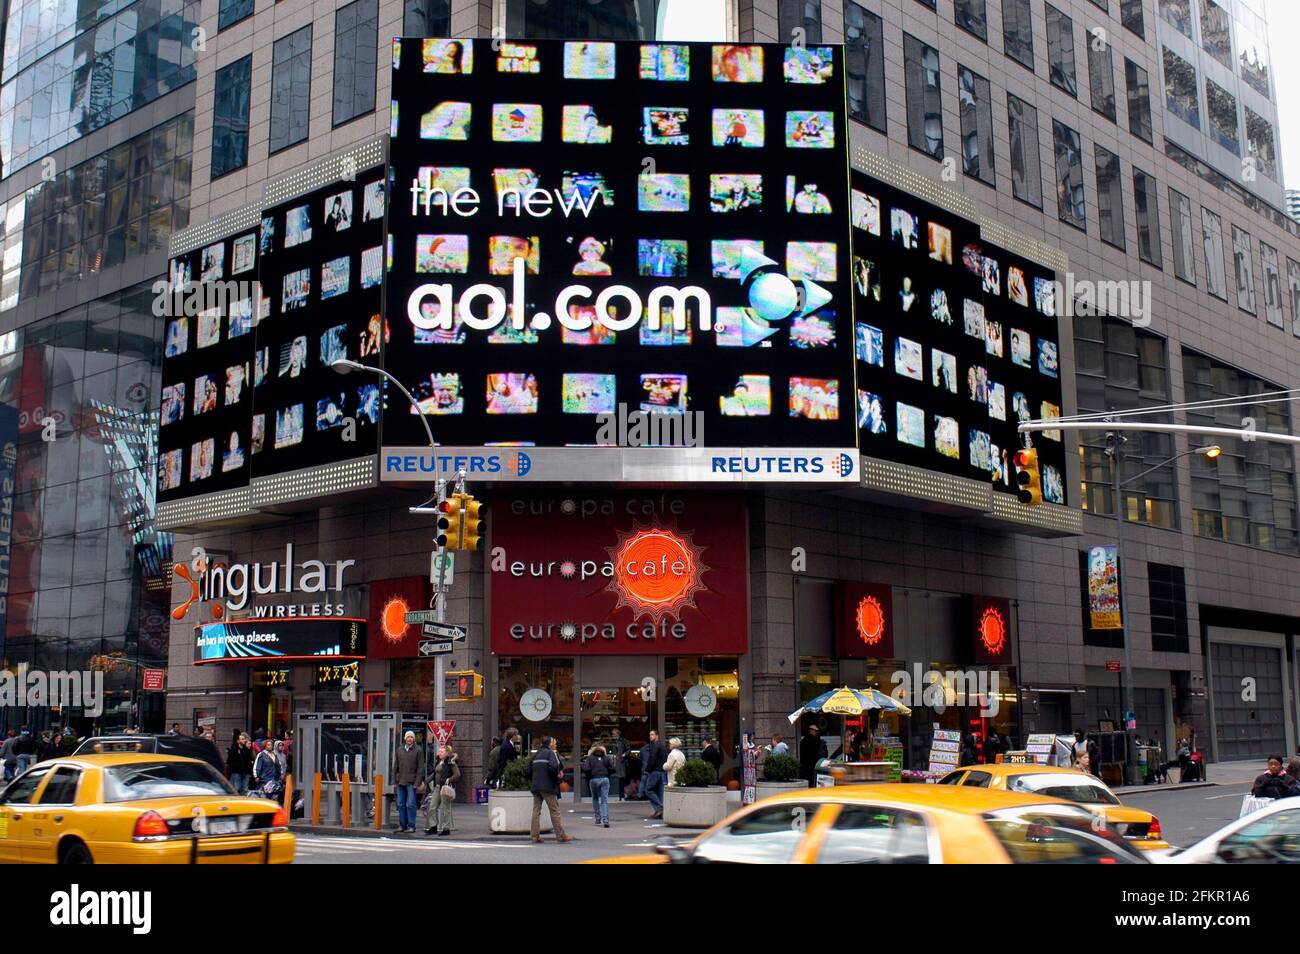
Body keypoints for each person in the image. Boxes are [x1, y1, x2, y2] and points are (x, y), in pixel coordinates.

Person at [526, 736, 573, 843]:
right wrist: (556, 777)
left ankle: (535, 836)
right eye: (554, 742)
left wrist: (535, 779)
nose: (555, 744)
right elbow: (554, 767)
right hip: (548, 787)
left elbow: (527, 770)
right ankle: (560, 836)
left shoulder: (535, 754)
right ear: (550, 744)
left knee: (536, 811)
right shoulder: (551, 753)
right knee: (555, 811)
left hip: (536, 786)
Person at [425, 743, 460, 836]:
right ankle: (433, 826)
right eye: (439, 751)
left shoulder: (451, 762)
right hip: (437, 786)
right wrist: (426, 781)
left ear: (447, 753)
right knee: (432, 806)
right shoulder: (438, 761)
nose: (439, 753)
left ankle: (446, 828)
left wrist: (450, 779)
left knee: (445, 808)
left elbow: (457, 774)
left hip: (445, 787)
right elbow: (435, 773)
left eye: (441, 751)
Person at [392, 730, 422, 833]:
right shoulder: (399, 750)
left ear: (414, 739)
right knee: (400, 804)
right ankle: (402, 825)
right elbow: (395, 766)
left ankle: (411, 826)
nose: (410, 739)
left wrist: (417, 782)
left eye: (411, 737)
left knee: (410, 804)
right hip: (401, 781)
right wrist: (394, 780)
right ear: (405, 738)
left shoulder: (418, 750)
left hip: (412, 782)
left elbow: (420, 768)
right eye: (408, 737)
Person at [640, 730, 668, 818]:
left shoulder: (655, 746)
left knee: (648, 790)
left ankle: (659, 808)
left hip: (655, 771)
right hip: (661, 771)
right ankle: (659, 812)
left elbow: (652, 758)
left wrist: (647, 770)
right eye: (650, 735)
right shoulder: (662, 746)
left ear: (657, 735)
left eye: (652, 734)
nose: (650, 736)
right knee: (658, 792)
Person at [585, 744, 613, 828]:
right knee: (604, 800)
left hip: (594, 779)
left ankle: (597, 818)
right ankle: (605, 820)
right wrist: (607, 774)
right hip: (604, 779)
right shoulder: (606, 758)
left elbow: (586, 768)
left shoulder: (590, 758)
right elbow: (612, 768)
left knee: (595, 798)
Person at [253, 737, 283, 802]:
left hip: (274, 779)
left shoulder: (274, 754)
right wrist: (256, 776)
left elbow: (279, 765)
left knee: (274, 798)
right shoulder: (261, 755)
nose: (270, 746)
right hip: (265, 780)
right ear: (265, 746)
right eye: (268, 745)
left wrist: (281, 773)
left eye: (271, 745)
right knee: (264, 798)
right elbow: (257, 766)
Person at [609, 729, 630, 800]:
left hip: (621, 763)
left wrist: (623, 755)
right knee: (616, 779)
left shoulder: (623, 741)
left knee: (621, 779)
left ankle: (622, 796)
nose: (613, 735)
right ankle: (618, 796)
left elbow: (628, 750)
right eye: (612, 734)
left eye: (614, 734)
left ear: (618, 734)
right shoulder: (612, 742)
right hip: (615, 762)